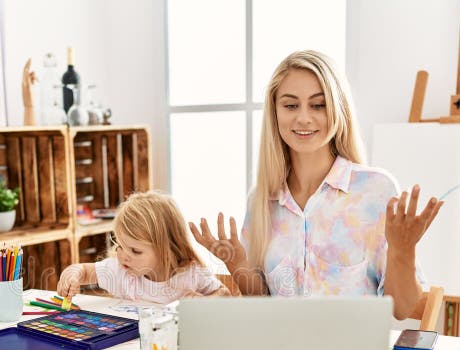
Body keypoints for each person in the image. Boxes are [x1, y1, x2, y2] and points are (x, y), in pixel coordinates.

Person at [189, 50, 442, 319]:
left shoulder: (374, 191)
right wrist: (237, 262)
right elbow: (262, 303)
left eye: (318, 105)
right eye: (290, 106)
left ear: (337, 109)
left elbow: (402, 310)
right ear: (275, 113)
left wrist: (403, 251)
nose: (303, 118)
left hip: (352, 346)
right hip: (281, 344)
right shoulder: (262, 200)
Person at [58, 191, 231, 304]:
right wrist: (70, 277)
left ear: (167, 250)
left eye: (136, 251)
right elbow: (83, 271)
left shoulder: (192, 274)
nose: (123, 256)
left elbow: (225, 295)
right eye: (120, 246)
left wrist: (205, 303)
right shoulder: (120, 270)